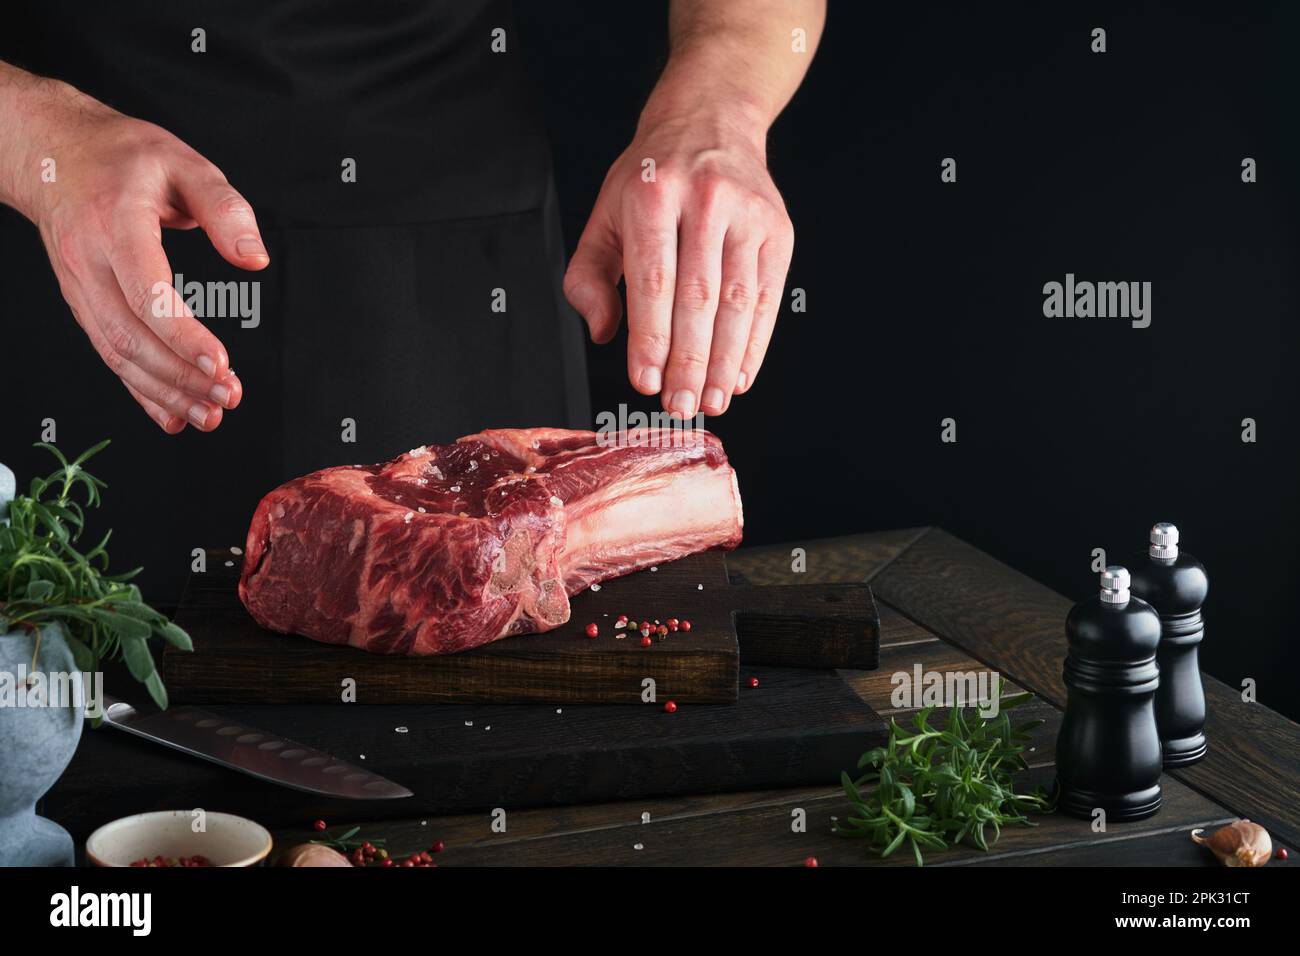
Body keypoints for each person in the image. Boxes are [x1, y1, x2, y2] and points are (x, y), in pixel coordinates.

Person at [0, 1, 823, 601]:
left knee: (491, 750)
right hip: (78, 243)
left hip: (449, 271)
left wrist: (714, 106)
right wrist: (38, 135)